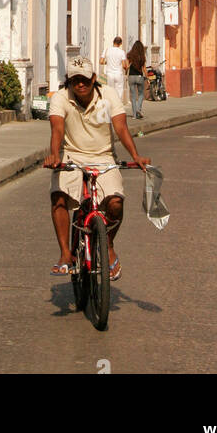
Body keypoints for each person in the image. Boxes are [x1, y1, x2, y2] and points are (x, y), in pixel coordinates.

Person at [44, 55, 149, 281]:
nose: (80, 84)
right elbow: (57, 130)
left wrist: (136, 156)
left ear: (94, 78)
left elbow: (121, 128)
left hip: (104, 157)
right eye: (75, 80)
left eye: (85, 79)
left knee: (115, 203)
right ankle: (65, 255)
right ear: (68, 81)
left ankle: (108, 244)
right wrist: (54, 154)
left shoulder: (108, 95)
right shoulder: (61, 98)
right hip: (72, 156)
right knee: (59, 198)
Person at [101, 36, 127, 101]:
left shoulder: (107, 50)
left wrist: (107, 62)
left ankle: (111, 104)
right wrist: (126, 68)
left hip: (109, 74)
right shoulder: (122, 52)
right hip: (118, 74)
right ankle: (118, 105)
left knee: (110, 91)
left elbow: (101, 61)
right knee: (119, 91)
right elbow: (124, 65)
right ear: (120, 43)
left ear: (113, 42)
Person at [126, 40, 147, 119]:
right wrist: (147, 77)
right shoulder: (142, 56)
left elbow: (127, 66)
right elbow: (144, 68)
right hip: (139, 77)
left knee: (133, 96)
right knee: (141, 94)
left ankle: (134, 115)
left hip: (131, 77)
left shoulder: (129, 55)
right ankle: (138, 109)